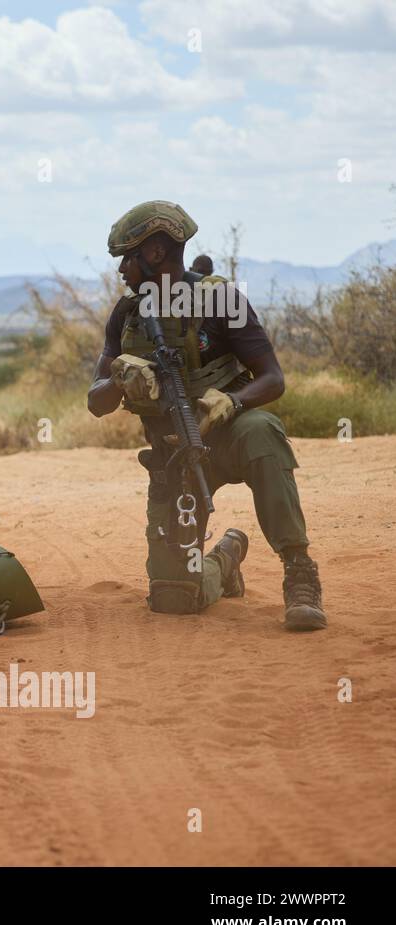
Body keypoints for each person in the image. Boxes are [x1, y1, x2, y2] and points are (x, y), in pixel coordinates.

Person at [86, 200, 325, 631]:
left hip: (228, 437)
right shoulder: (127, 316)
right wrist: (122, 378)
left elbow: (273, 378)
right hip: (173, 458)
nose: (122, 268)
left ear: (156, 252)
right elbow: (94, 400)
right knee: (174, 598)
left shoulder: (222, 301)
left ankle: (299, 571)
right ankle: (225, 559)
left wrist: (231, 402)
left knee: (263, 432)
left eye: (128, 256)